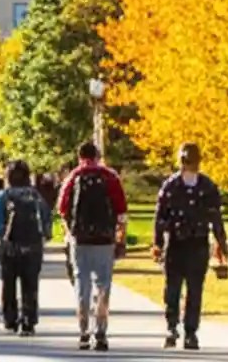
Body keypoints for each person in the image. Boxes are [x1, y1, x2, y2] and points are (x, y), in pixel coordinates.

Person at [152, 142, 228, 351]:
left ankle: (191, 332)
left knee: (195, 290)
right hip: (176, 243)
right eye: (187, 161)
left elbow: (215, 217)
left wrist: (222, 244)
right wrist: (157, 243)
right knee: (173, 289)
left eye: (191, 161)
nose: (189, 165)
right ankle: (171, 326)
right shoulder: (170, 186)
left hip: (198, 243)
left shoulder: (207, 187)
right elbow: (160, 216)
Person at [58, 142, 128, 352]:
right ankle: (101, 331)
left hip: (80, 239)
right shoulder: (110, 177)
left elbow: (62, 209)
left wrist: (69, 235)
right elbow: (121, 211)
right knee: (103, 285)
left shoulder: (73, 177)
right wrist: (120, 237)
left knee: (82, 283)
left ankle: (83, 332)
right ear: (97, 155)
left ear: (79, 156)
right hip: (104, 239)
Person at [0, 160, 52, 337]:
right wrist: (45, 235)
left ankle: (10, 319)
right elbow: (47, 220)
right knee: (30, 284)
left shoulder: (4, 196)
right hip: (33, 247)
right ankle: (29, 320)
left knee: (9, 284)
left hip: (9, 247)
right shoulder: (36, 196)